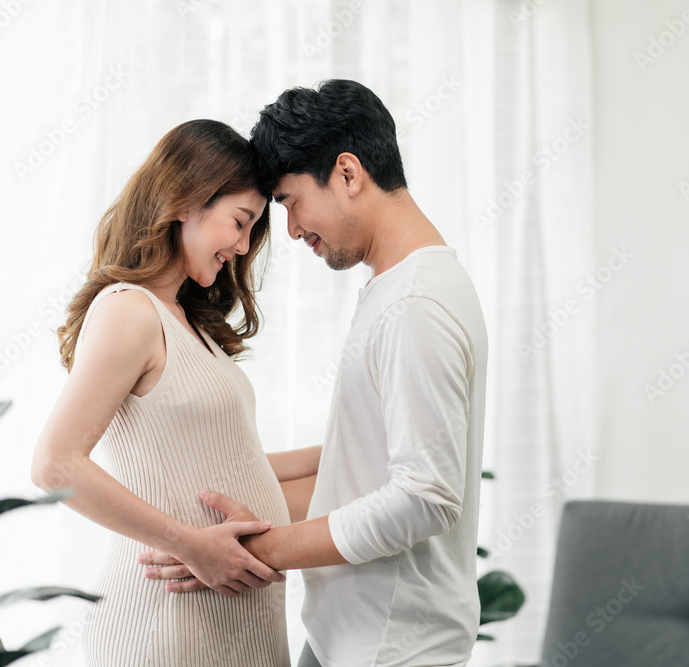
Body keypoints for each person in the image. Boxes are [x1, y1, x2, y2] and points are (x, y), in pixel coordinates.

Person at [141, 79, 489, 666]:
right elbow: (363, 467)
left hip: (390, 650)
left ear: (348, 173)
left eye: (288, 202)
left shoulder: (415, 306)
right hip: (351, 642)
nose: (293, 229)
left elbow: (425, 497)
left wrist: (263, 552)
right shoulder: (398, 289)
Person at [31, 119, 296, 666]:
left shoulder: (188, 323)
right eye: (240, 222)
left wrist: (355, 448)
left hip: (227, 624)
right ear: (186, 199)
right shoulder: (130, 309)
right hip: (166, 624)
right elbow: (54, 466)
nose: (243, 247)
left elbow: (225, 464)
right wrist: (190, 544)